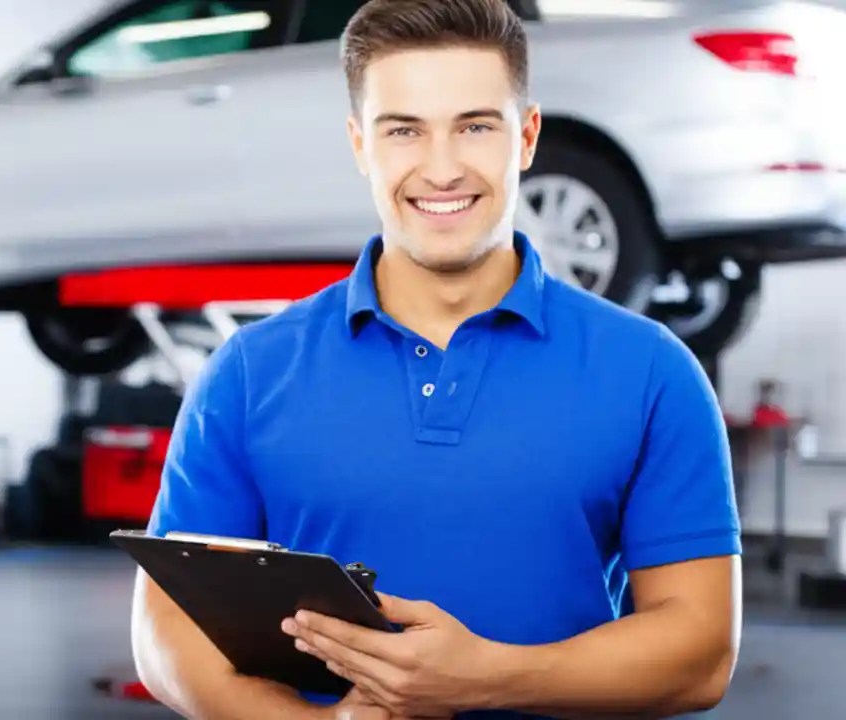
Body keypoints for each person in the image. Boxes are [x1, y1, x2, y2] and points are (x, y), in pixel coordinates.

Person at [130, 0, 743, 718]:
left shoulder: (651, 373)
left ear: (528, 137)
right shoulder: (247, 372)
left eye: (476, 126)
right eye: (404, 131)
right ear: (361, 145)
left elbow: (700, 649)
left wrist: (488, 676)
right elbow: (166, 626)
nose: (442, 168)